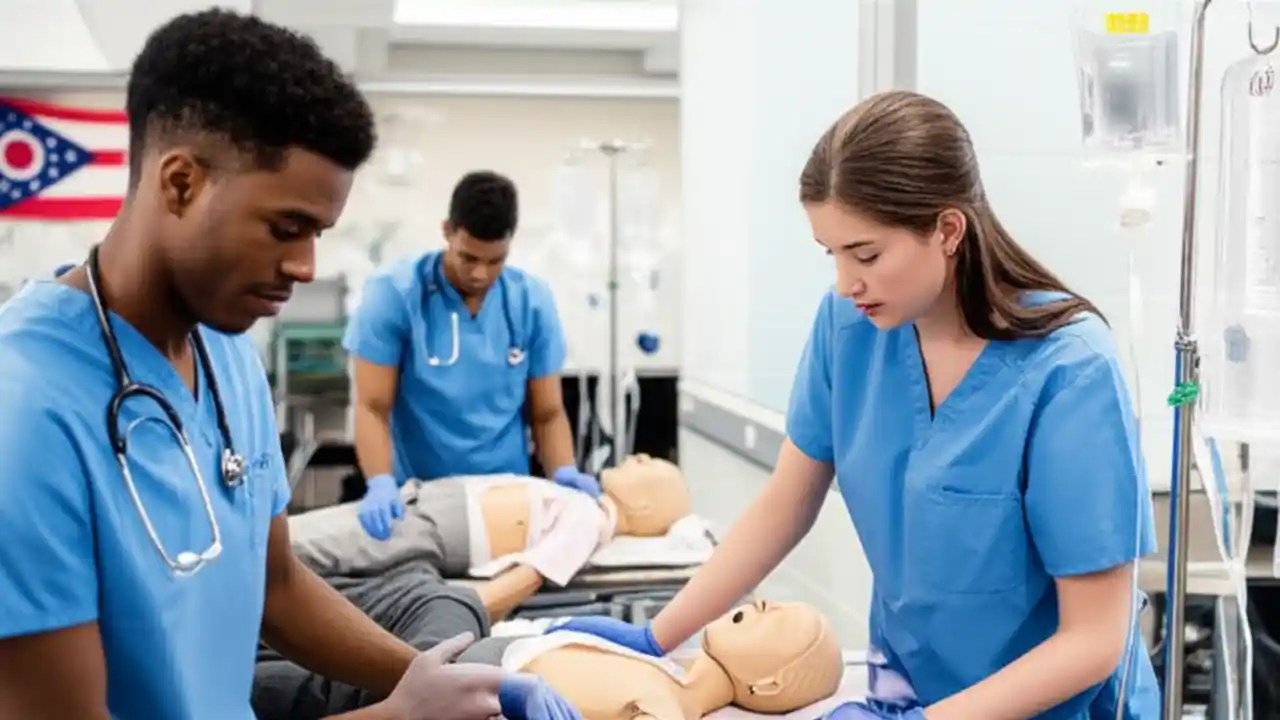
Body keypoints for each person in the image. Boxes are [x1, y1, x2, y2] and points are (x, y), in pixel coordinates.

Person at [0, 10, 580, 720]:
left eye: (319, 233)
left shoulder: (227, 359)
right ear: (180, 183)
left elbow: (274, 585)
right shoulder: (25, 409)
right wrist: (396, 715)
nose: (306, 266)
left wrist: (446, 678)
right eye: (287, 228)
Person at [549, 90, 1162, 719]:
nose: (847, 283)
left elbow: (1093, 640)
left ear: (948, 230)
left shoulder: (1069, 369)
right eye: (831, 254)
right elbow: (787, 505)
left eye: (866, 254)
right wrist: (658, 636)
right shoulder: (849, 329)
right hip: (913, 691)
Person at [344, 170, 595, 541]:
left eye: (495, 261)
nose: (480, 273)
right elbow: (372, 406)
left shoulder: (531, 301)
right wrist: (380, 483)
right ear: (447, 230)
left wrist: (563, 472)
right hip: (419, 500)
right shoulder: (395, 294)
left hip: (507, 504)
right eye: (468, 258)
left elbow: (547, 413)